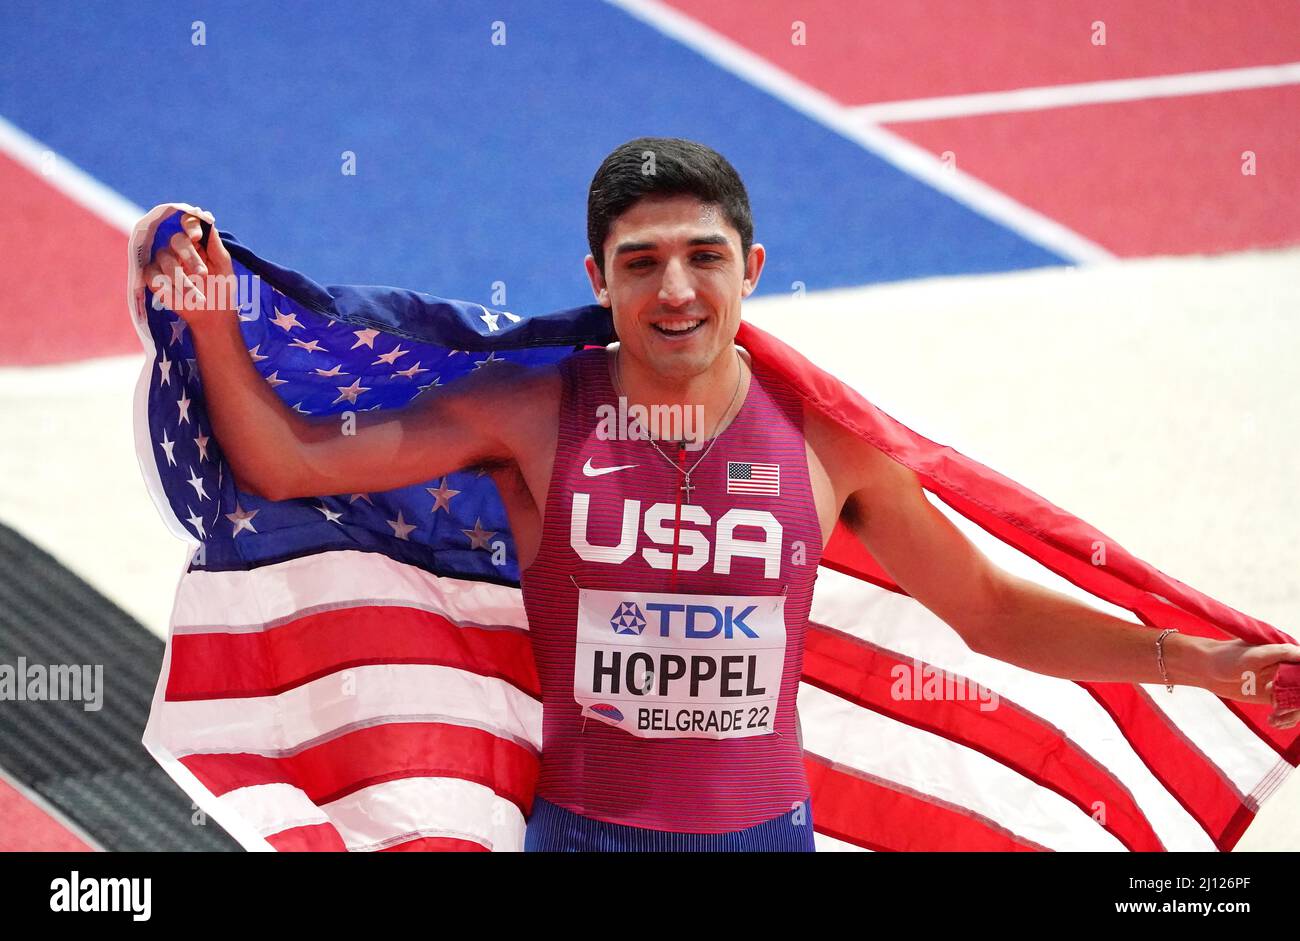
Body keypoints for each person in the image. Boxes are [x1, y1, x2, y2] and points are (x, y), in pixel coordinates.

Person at [144, 136, 1300, 852]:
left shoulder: (831, 443)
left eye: (702, 254)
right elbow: (289, 465)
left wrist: (1195, 662)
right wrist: (211, 322)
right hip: (581, 840)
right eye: (641, 262)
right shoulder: (530, 413)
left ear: (750, 267)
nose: (676, 287)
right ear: (597, 281)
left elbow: (990, 613)